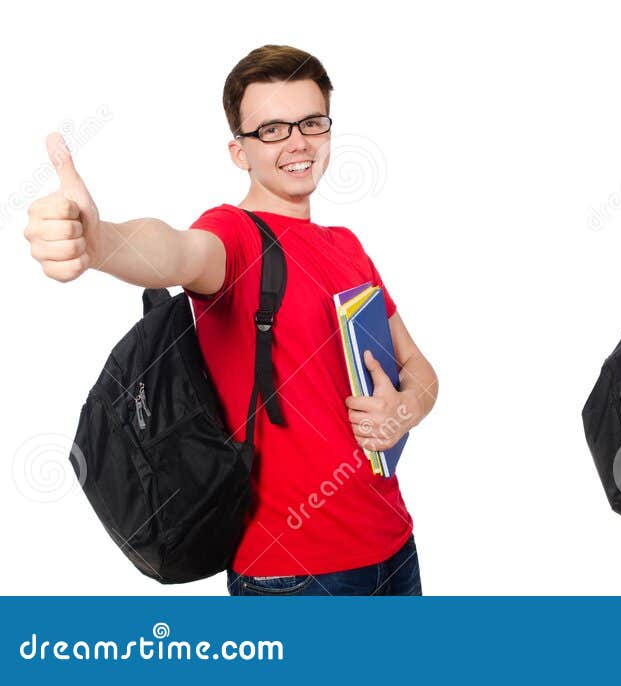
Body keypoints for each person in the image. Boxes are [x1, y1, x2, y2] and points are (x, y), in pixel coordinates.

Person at [22, 45, 438, 596]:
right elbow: (173, 251)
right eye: (271, 129)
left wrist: (405, 407)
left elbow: (419, 368)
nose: (297, 142)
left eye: (311, 122)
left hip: (395, 549)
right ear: (239, 151)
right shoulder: (234, 236)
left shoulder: (347, 248)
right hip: (292, 580)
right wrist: (100, 242)